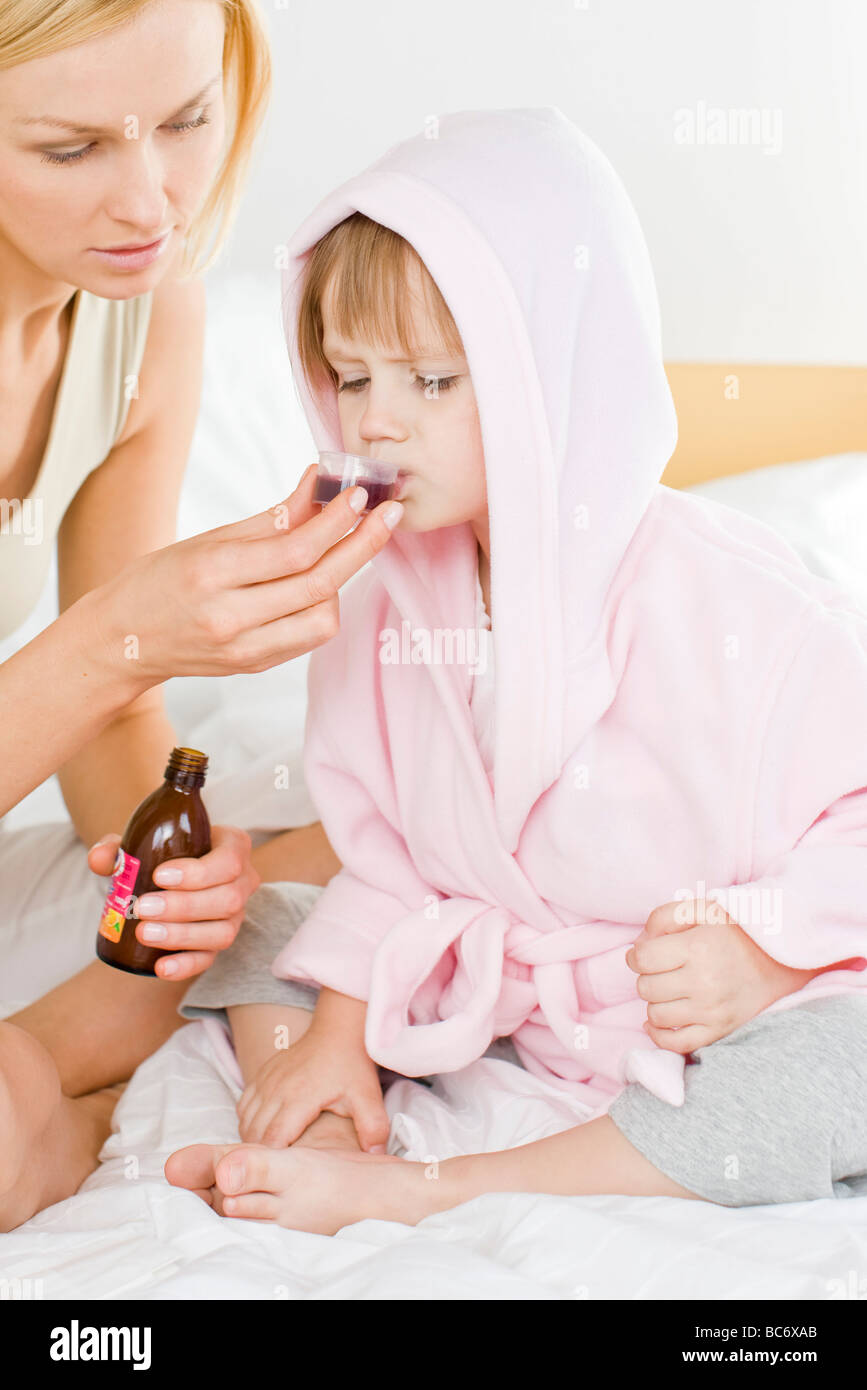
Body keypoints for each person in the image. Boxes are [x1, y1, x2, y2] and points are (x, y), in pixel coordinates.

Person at [166, 108, 867, 1234]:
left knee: (847, 1066)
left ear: (557, 381)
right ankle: (336, 1107)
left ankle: (434, 1185)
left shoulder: (746, 611)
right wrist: (341, 1033)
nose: (377, 420)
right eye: (349, 378)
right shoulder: (384, 605)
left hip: (711, 1009)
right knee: (266, 919)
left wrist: (769, 954)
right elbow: (384, 860)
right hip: (510, 994)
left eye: (433, 382)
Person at [0, 0, 403, 1232]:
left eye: (185, 121)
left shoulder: (138, 311)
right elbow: (105, 649)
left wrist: (167, 857)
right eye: (69, 150)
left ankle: (45, 1069)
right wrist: (121, 631)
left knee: (366, 840)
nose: (154, 204)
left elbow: (109, 726)